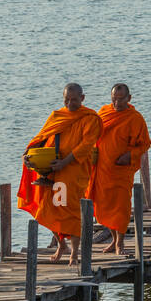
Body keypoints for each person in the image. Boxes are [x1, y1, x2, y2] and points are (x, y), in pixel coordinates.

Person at [18, 83, 103, 266]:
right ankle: (61, 244)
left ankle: (74, 253)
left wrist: (65, 162)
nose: (70, 103)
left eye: (74, 99)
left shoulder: (90, 118)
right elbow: (41, 138)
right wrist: (28, 154)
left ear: (82, 98)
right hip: (53, 172)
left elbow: (86, 145)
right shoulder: (58, 116)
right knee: (51, 209)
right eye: (67, 99)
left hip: (73, 172)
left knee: (70, 211)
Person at [86, 83, 149, 255]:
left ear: (129, 98)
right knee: (103, 206)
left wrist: (130, 156)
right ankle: (113, 240)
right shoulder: (104, 113)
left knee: (120, 207)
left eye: (121, 99)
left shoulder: (135, 118)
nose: (117, 102)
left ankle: (120, 243)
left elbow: (144, 144)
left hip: (121, 170)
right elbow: (93, 134)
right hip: (101, 169)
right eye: (114, 98)